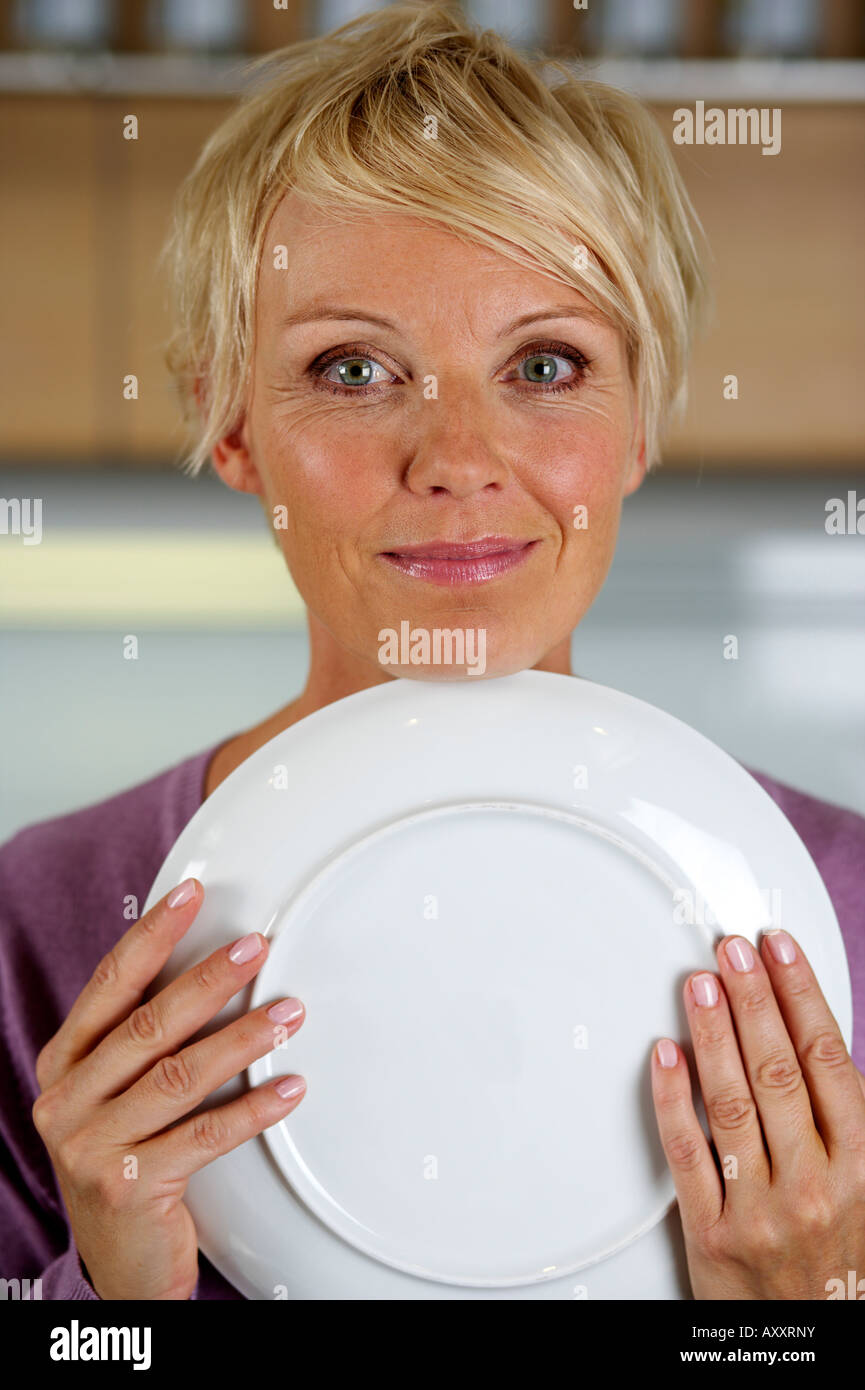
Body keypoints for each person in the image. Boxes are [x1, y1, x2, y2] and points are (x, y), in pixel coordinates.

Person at [2, 0, 863, 1301]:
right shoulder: (43, 924)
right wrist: (119, 1308)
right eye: (351, 369)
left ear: (641, 424)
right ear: (229, 424)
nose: (457, 459)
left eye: (546, 363)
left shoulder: (843, 907)